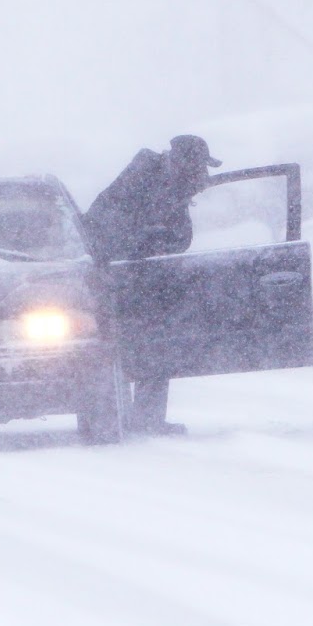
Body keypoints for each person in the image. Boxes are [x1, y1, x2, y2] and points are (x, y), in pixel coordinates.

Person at [83, 134, 222, 435]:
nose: (202, 177)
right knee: (122, 346)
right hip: (117, 277)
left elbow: (179, 237)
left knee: (154, 344)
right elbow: (108, 227)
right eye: (198, 168)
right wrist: (147, 241)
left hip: (143, 279)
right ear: (181, 162)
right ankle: (117, 418)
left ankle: (146, 418)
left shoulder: (168, 184)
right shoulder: (143, 180)